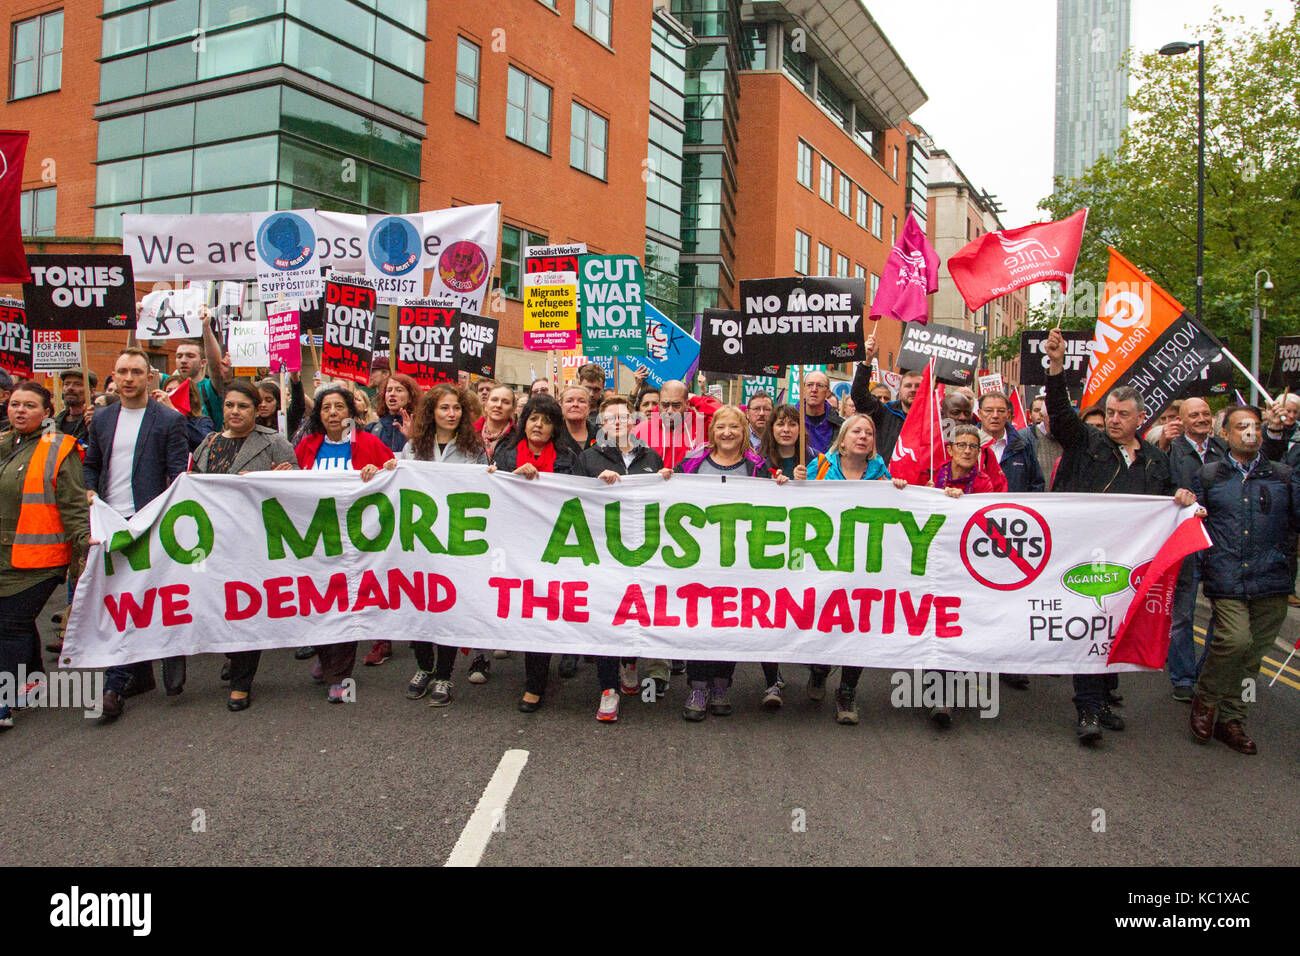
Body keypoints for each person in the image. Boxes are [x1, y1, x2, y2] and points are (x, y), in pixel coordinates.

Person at [1044, 328, 1195, 744]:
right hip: (1085, 556)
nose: (1112, 420)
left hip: (1131, 563)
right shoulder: (1085, 444)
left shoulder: (1154, 461)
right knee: (1090, 626)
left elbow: (1167, 504)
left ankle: (1105, 696)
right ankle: (1087, 709)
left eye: (1122, 414)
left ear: (1139, 418)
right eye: (1109, 412)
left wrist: (1181, 498)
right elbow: (1059, 414)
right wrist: (1056, 366)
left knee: (1116, 628)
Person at [84, 348, 190, 721]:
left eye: (135, 372)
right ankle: (126, 678)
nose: (127, 379)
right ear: (113, 377)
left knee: (152, 597)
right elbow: (92, 464)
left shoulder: (167, 420)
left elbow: (178, 475)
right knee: (121, 600)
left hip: (149, 522)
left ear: (150, 378)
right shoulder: (101, 418)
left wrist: (161, 515)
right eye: (121, 372)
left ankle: (137, 674)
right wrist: (90, 492)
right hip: (109, 522)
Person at [1191, 405, 1299, 754]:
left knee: (1253, 656)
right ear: (1226, 435)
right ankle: (1206, 699)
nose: (1249, 432)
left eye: (1254, 426)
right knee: (1234, 641)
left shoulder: (1282, 475)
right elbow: (1196, 522)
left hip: (1272, 578)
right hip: (1228, 577)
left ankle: (1233, 719)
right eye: (1241, 427)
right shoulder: (1209, 475)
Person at [190, 382, 297, 711]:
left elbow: (297, 485)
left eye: (243, 407)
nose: (235, 412)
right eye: (230, 406)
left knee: (245, 607)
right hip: (212, 539)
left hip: (252, 540)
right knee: (219, 604)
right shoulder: (208, 443)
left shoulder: (274, 443)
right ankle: (232, 653)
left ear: (256, 410)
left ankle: (241, 681)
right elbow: (191, 484)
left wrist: (282, 475)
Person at [382, 383, 490, 704]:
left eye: (456, 408)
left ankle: (444, 675)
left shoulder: (473, 449)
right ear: (432, 411)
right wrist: (388, 469)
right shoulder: (414, 448)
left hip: (456, 541)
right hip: (419, 542)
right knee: (419, 606)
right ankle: (424, 667)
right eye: (444, 408)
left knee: (448, 608)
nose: (451, 413)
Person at [571, 395, 672, 721]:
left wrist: (669, 482)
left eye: (623, 417)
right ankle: (608, 688)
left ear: (634, 421)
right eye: (610, 418)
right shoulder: (588, 457)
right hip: (603, 552)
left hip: (645, 550)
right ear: (601, 425)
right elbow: (570, 498)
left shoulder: (652, 456)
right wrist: (594, 487)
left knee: (637, 610)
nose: (617, 422)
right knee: (606, 618)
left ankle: (629, 660)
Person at [805, 413, 908, 723]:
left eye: (869, 433)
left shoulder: (881, 474)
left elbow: (895, 513)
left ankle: (847, 690)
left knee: (859, 624)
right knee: (824, 618)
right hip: (823, 561)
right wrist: (793, 482)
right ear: (844, 438)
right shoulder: (820, 467)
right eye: (857, 431)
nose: (863, 436)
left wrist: (901, 491)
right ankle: (820, 669)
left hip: (865, 563)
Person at [0, 382, 89, 731]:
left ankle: (4, 702)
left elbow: (73, 503)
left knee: (10, 624)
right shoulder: (3, 444)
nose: (20, 411)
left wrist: (83, 544)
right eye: (15, 404)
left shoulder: (58, 449)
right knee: (12, 623)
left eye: (30, 406)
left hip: (40, 559)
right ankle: (33, 680)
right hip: (4, 555)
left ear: (46, 412)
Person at [293, 387, 392, 693]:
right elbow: (291, 485)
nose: (333, 413)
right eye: (326, 408)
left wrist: (380, 470)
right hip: (317, 539)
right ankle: (326, 655)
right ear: (318, 415)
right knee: (320, 603)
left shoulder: (369, 443)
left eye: (339, 407)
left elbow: (394, 474)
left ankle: (340, 677)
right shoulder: (308, 445)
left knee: (348, 602)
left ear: (351, 413)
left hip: (356, 539)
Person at [672, 406, 766, 722]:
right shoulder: (692, 464)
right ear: (712, 432)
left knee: (730, 622)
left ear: (744, 432)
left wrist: (786, 486)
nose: (727, 433)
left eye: (734, 428)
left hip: (739, 561)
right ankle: (698, 686)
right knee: (699, 623)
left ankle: (722, 685)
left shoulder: (759, 469)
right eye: (721, 427)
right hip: (698, 560)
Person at [490, 394, 574, 711]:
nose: (538, 425)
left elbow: (581, 497)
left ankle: (542, 677)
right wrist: (508, 477)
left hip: (555, 546)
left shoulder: (567, 456)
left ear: (555, 428)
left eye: (547, 420)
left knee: (545, 609)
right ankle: (529, 678)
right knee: (527, 609)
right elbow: (492, 487)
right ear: (524, 422)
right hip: (515, 545)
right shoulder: (506, 452)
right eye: (533, 418)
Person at [1166, 397, 1229, 701]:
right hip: (1187, 539)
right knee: (1182, 612)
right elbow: (1164, 488)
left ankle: (1206, 670)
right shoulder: (1172, 450)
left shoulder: (1222, 450)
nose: (1202, 419)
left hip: (1221, 538)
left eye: (1206, 413)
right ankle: (1182, 677)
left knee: (1226, 610)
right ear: (1182, 419)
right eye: (1195, 415)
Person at [854, 334, 923, 459]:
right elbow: (859, 397)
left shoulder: (933, 418)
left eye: (918, 386)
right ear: (899, 390)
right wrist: (867, 361)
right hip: (886, 475)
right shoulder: (885, 412)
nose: (913, 390)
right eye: (908, 386)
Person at [631, 378, 717, 469]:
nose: (670, 411)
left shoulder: (702, 426)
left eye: (676, 405)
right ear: (659, 404)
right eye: (665, 405)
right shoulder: (642, 430)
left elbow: (725, 415)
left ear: (687, 404)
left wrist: (695, 399)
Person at [978, 391, 1044, 494]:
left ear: (1008, 414)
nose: (995, 415)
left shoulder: (1023, 445)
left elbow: (1036, 484)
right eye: (989, 410)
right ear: (980, 413)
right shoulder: (966, 444)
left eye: (1001, 411)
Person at [165, 337, 224, 428]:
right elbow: (141, 366)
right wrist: (134, 326)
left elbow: (215, 366)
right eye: (179, 356)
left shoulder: (209, 387)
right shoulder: (170, 384)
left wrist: (206, 327)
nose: (183, 360)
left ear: (203, 363)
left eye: (190, 356)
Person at [153, 377, 215, 452]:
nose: (170, 395)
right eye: (168, 391)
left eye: (176, 390)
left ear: (190, 396)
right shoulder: (160, 422)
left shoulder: (203, 421)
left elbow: (202, 442)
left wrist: (174, 412)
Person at [368, 372, 421, 452]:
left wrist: (412, 438)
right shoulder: (372, 428)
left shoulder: (421, 428)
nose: (392, 394)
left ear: (410, 397)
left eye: (399, 390)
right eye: (389, 390)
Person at [758, 404, 814, 479]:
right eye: (780, 424)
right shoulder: (758, 460)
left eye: (792, 425)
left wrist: (807, 480)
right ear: (772, 428)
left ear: (800, 429)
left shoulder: (814, 458)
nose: (786, 429)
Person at [800, 370, 843, 455]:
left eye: (819, 385)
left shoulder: (841, 426)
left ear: (827, 393)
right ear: (803, 389)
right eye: (810, 385)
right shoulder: (793, 421)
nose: (814, 389)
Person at [55, 368, 96, 444]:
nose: (70, 388)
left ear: (92, 392)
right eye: (66, 384)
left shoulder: (98, 419)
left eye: (77, 384)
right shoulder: (57, 421)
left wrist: (95, 428)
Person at [475, 383, 517, 459]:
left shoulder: (519, 439)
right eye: (494, 400)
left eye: (505, 402)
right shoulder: (469, 433)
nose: (498, 405)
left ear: (513, 409)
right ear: (486, 405)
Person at [558, 384, 598, 455]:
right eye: (569, 401)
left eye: (581, 401)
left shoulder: (600, 436)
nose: (575, 404)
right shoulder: (554, 436)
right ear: (561, 406)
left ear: (589, 407)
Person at [576, 363, 606, 428]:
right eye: (587, 388)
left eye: (596, 389)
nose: (591, 394)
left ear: (603, 386)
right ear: (580, 384)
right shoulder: (569, 409)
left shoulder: (609, 411)